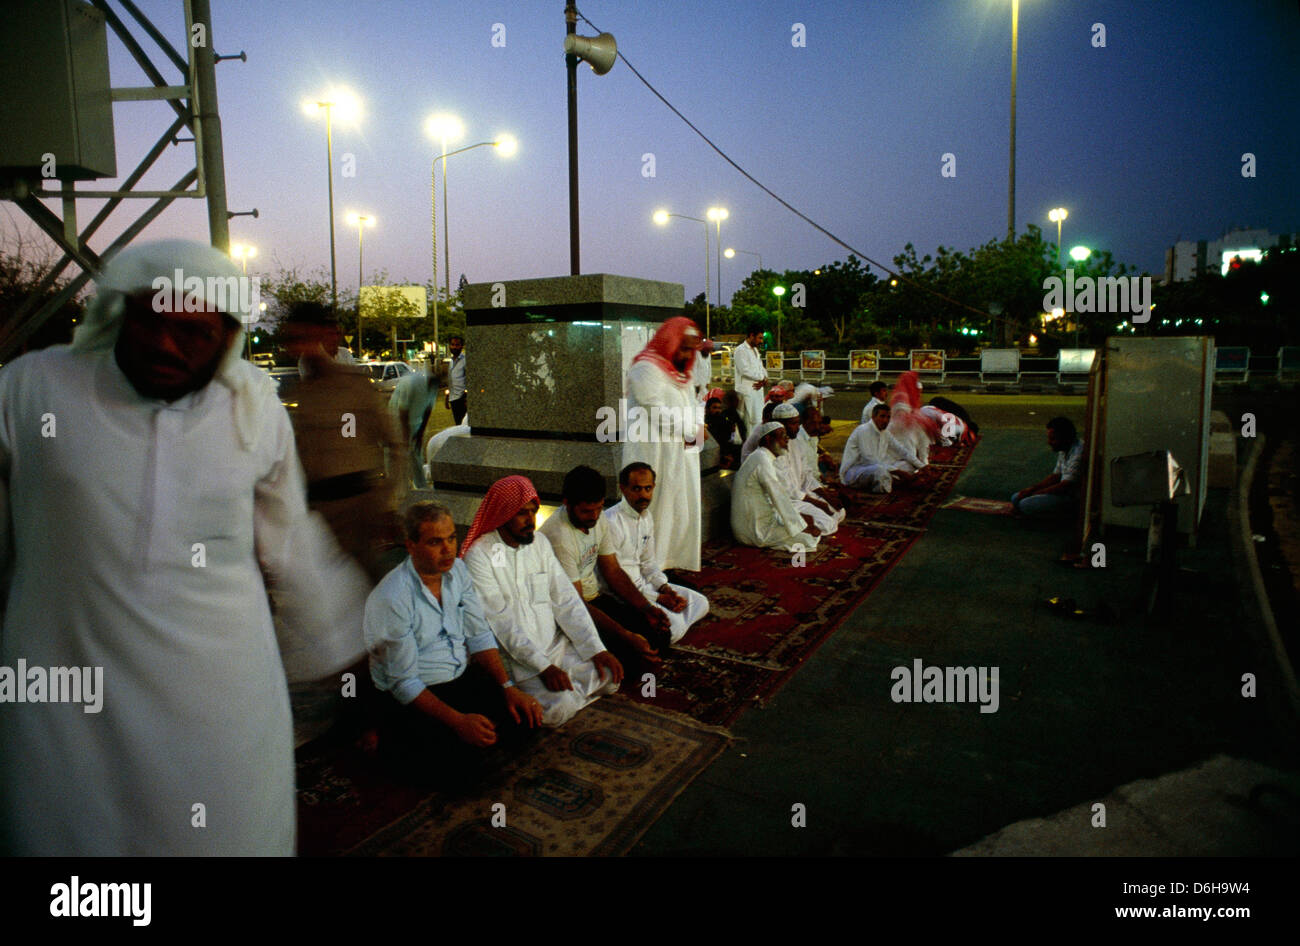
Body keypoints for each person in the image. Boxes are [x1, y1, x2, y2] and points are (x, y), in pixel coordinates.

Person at [0, 240, 373, 855]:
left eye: (194, 332)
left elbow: (293, 541)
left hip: (219, 693)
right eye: (152, 321)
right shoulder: (32, 390)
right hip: (67, 691)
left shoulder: (253, 407)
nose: (166, 346)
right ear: (122, 312)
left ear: (228, 337)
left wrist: (342, 639)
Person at [364, 502, 543, 787]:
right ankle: (389, 742)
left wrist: (508, 688)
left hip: (459, 678)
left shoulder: (458, 571)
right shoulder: (393, 596)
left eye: (451, 538)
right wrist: (458, 721)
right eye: (435, 542)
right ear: (411, 545)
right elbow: (404, 683)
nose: (447, 550)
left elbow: (479, 635)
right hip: (417, 693)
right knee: (467, 769)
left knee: (526, 720)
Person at [461, 476, 623, 726]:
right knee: (560, 708)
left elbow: (566, 600)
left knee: (611, 676)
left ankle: (564, 697)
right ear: (503, 514)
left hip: (556, 646)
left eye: (533, 511)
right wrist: (543, 667)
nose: (530, 521)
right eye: (521, 514)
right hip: (517, 661)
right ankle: (559, 699)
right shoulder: (480, 555)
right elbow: (500, 622)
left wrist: (596, 649)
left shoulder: (539, 544)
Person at [281, 301, 406, 582]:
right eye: (294, 340)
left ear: (324, 335)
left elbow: (395, 444)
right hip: (319, 515)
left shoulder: (354, 383)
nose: (301, 347)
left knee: (371, 593)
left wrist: (388, 502)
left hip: (361, 511)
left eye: (306, 337)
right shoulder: (302, 391)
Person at [539, 465, 665, 664]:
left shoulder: (599, 518)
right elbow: (575, 604)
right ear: (567, 503)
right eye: (587, 511)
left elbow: (613, 570)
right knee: (632, 656)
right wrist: (624, 635)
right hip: (567, 610)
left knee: (657, 637)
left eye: (599, 508)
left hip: (594, 599)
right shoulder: (559, 536)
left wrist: (645, 607)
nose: (595, 516)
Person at [623, 316, 704, 572]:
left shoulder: (682, 374)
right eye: (683, 347)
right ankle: (648, 570)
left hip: (681, 453)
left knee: (678, 511)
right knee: (656, 511)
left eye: (692, 348)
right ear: (671, 341)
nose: (688, 354)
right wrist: (692, 429)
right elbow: (655, 410)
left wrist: (697, 428)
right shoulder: (646, 368)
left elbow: (693, 406)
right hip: (653, 452)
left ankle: (668, 566)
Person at [600, 462, 710, 649]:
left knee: (701, 602)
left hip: (647, 587)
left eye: (647, 488)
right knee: (673, 626)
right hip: (626, 595)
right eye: (636, 489)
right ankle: (674, 624)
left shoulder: (646, 516)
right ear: (623, 489)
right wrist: (657, 599)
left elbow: (648, 562)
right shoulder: (611, 521)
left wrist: (666, 589)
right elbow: (614, 580)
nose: (643, 495)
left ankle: (676, 620)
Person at [730, 422, 821, 550]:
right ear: (768, 439)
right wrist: (801, 524)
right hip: (754, 528)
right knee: (808, 539)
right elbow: (778, 496)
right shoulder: (761, 459)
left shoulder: (762, 456)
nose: (787, 439)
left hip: (759, 520)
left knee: (811, 525)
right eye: (782, 435)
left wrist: (800, 521)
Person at [773, 403, 844, 529]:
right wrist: (818, 503)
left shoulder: (795, 443)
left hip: (802, 494)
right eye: (793, 424)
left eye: (797, 423)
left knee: (839, 511)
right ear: (781, 425)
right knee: (827, 522)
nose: (797, 428)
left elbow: (807, 475)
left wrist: (826, 497)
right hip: (786, 500)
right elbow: (787, 490)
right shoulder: (774, 449)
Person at [840, 403, 925, 492]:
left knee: (907, 464)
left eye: (888, 417)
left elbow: (902, 451)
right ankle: (890, 485)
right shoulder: (863, 430)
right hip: (855, 471)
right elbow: (869, 460)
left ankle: (894, 482)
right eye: (882, 416)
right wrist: (897, 472)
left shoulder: (885, 433)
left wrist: (922, 466)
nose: (885, 420)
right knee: (880, 471)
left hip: (877, 466)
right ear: (873, 417)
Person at [1011, 417, 1085, 517]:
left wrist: (1036, 493)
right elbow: (1056, 476)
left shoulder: (1079, 452)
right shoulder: (1065, 448)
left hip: (1073, 497)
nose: (1049, 442)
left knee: (1025, 504)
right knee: (1016, 498)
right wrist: (1031, 489)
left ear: (1065, 438)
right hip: (1064, 492)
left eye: (1053, 439)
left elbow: (1066, 486)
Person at [390, 358, 442, 488]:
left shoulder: (434, 385)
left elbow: (428, 410)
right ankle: (399, 488)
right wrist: (405, 437)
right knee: (399, 456)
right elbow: (403, 412)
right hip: (397, 421)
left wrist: (419, 433)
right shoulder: (412, 382)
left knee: (416, 456)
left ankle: (421, 486)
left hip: (415, 422)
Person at [731, 326, 767, 429]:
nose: (761, 341)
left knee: (758, 420)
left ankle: (755, 444)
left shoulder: (755, 350)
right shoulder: (740, 350)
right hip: (746, 393)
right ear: (751, 336)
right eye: (759, 338)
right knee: (747, 423)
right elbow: (744, 370)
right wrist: (761, 378)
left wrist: (765, 378)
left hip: (757, 392)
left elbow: (761, 367)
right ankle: (747, 445)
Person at [704, 395, 742, 469]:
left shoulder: (724, 421)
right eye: (714, 408)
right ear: (707, 409)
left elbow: (729, 440)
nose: (718, 410)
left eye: (719, 408)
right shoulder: (704, 423)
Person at [445, 334, 468, 425]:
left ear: (461, 346)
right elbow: (451, 382)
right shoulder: (451, 362)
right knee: (457, 424)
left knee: (463, 426)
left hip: (462, 400)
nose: (454, 347)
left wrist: (467, 399)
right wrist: (447, 398)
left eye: (457, 345)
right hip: (453, 399)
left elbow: (470, 381)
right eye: (452, 344)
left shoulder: (465, 361)